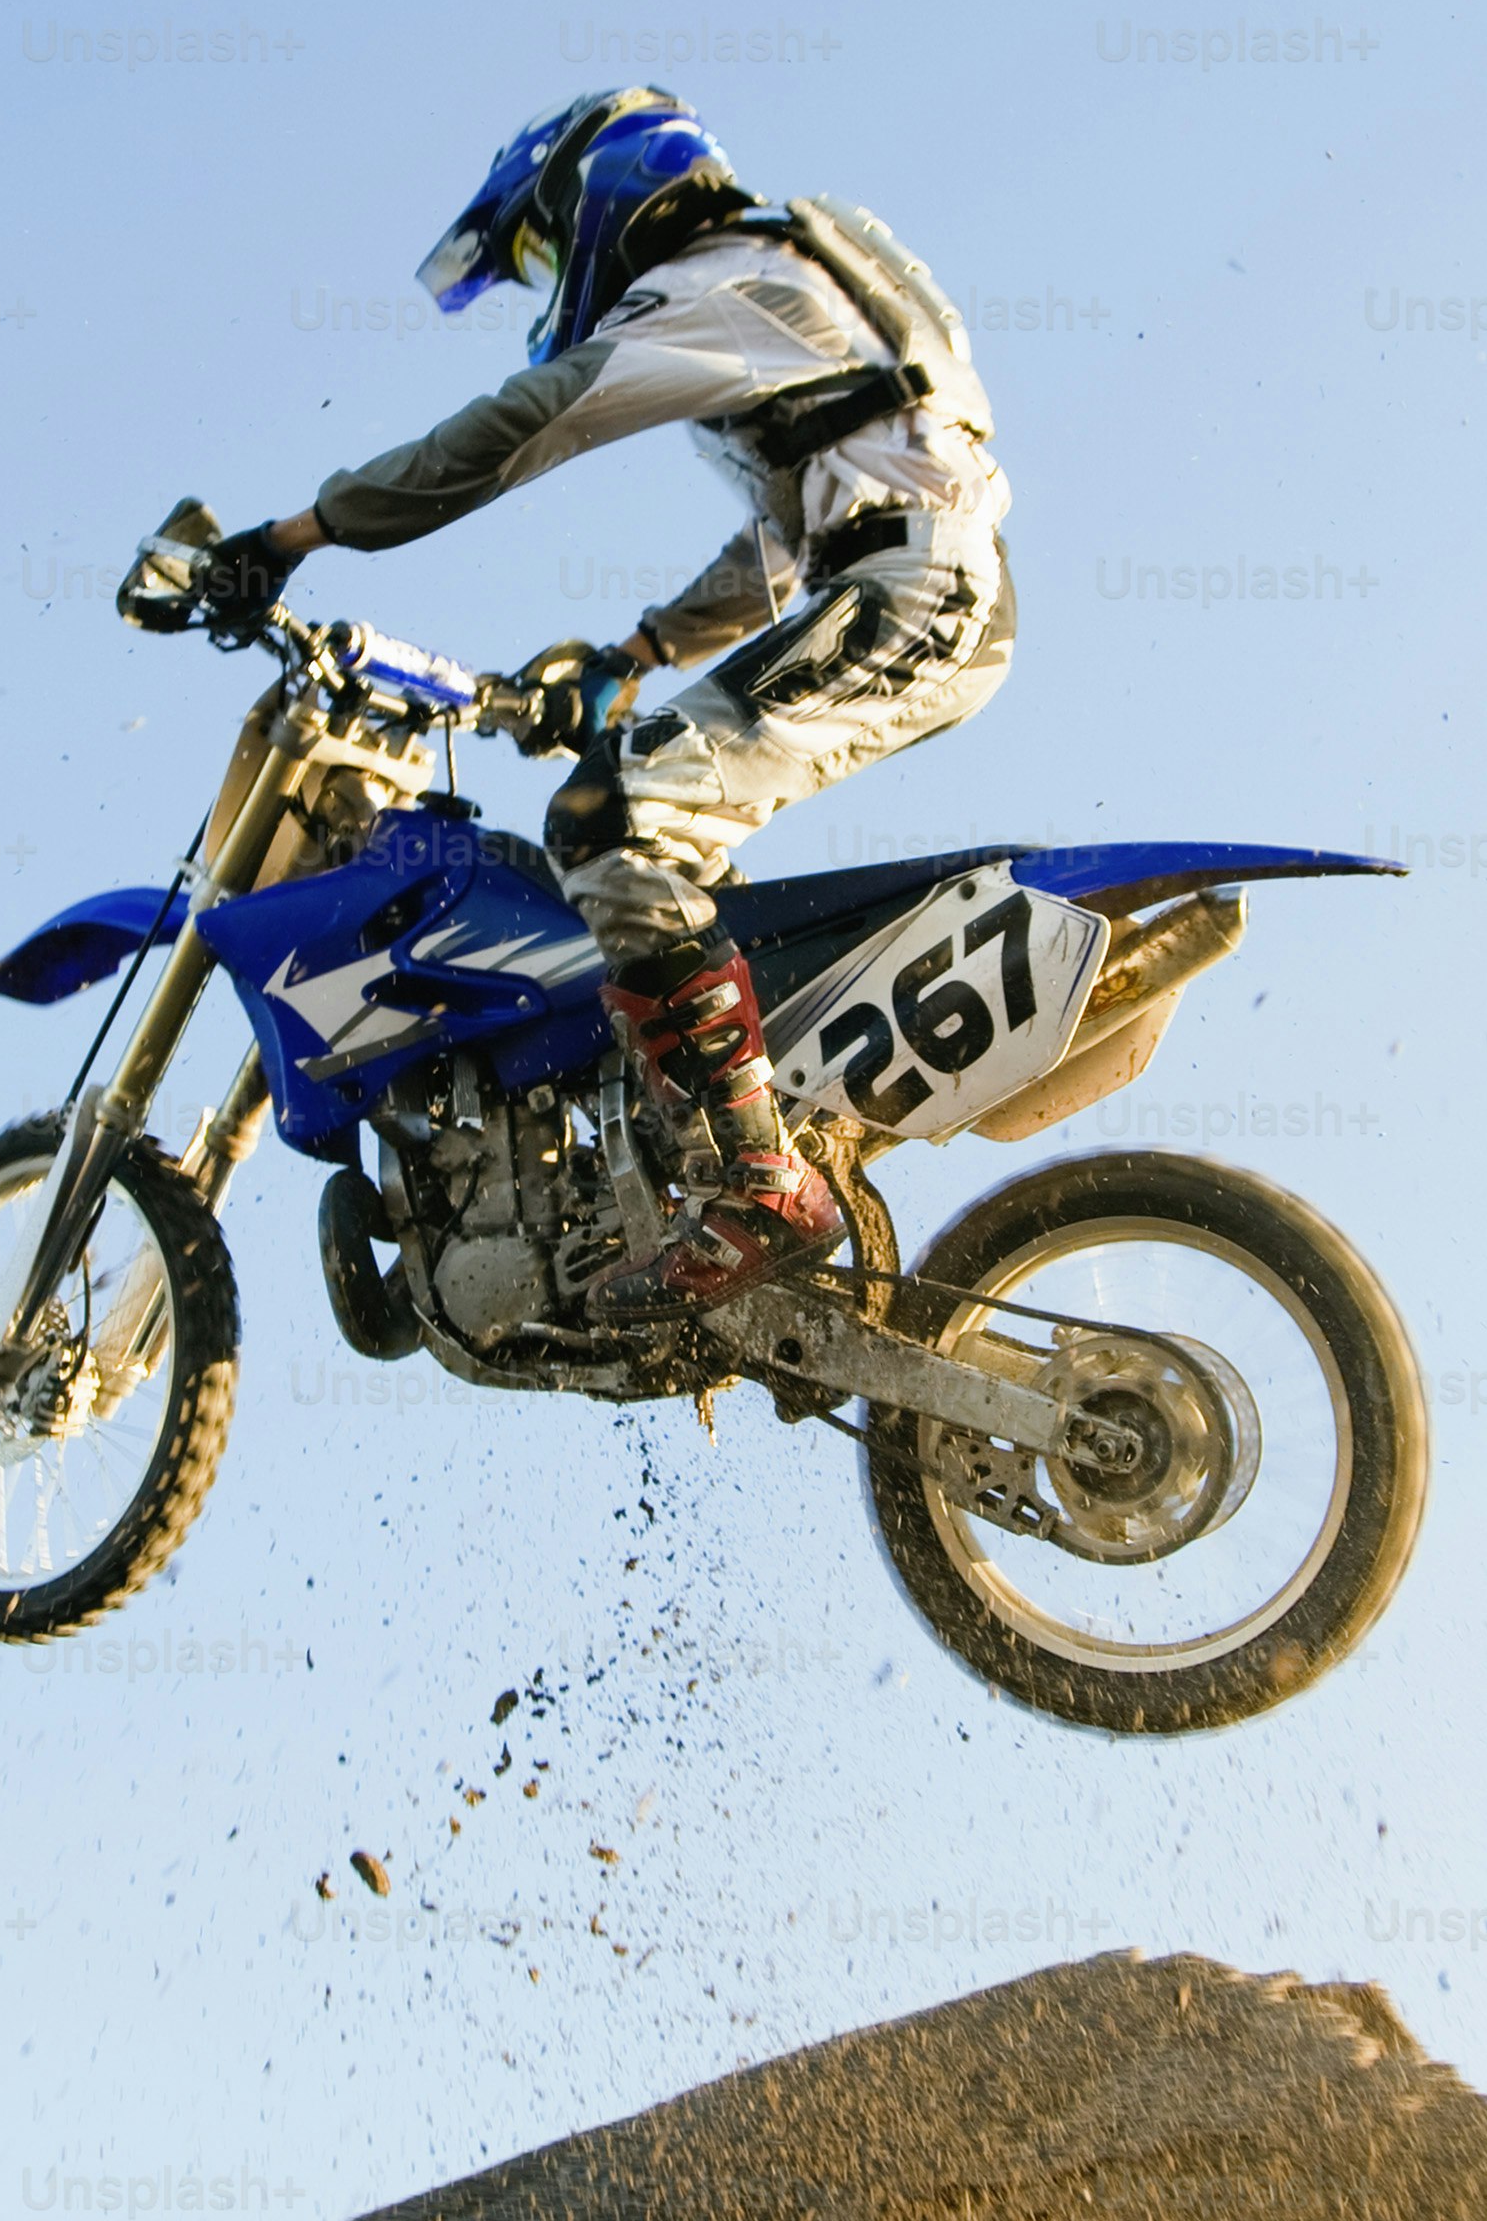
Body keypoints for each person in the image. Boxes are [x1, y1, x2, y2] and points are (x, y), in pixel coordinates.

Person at [193, 89, 1013, 1314]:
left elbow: (519, 429)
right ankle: (686, 1155)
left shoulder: (715, 278)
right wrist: (634, 650)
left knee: (611, 822)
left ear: (604, 191)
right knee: (655, 845)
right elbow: (783, 554)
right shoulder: (787, 289)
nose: (542, 277)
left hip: (915, 594)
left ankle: (757, 1178)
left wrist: (300, 532)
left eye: (535, 246)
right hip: (911, 582)